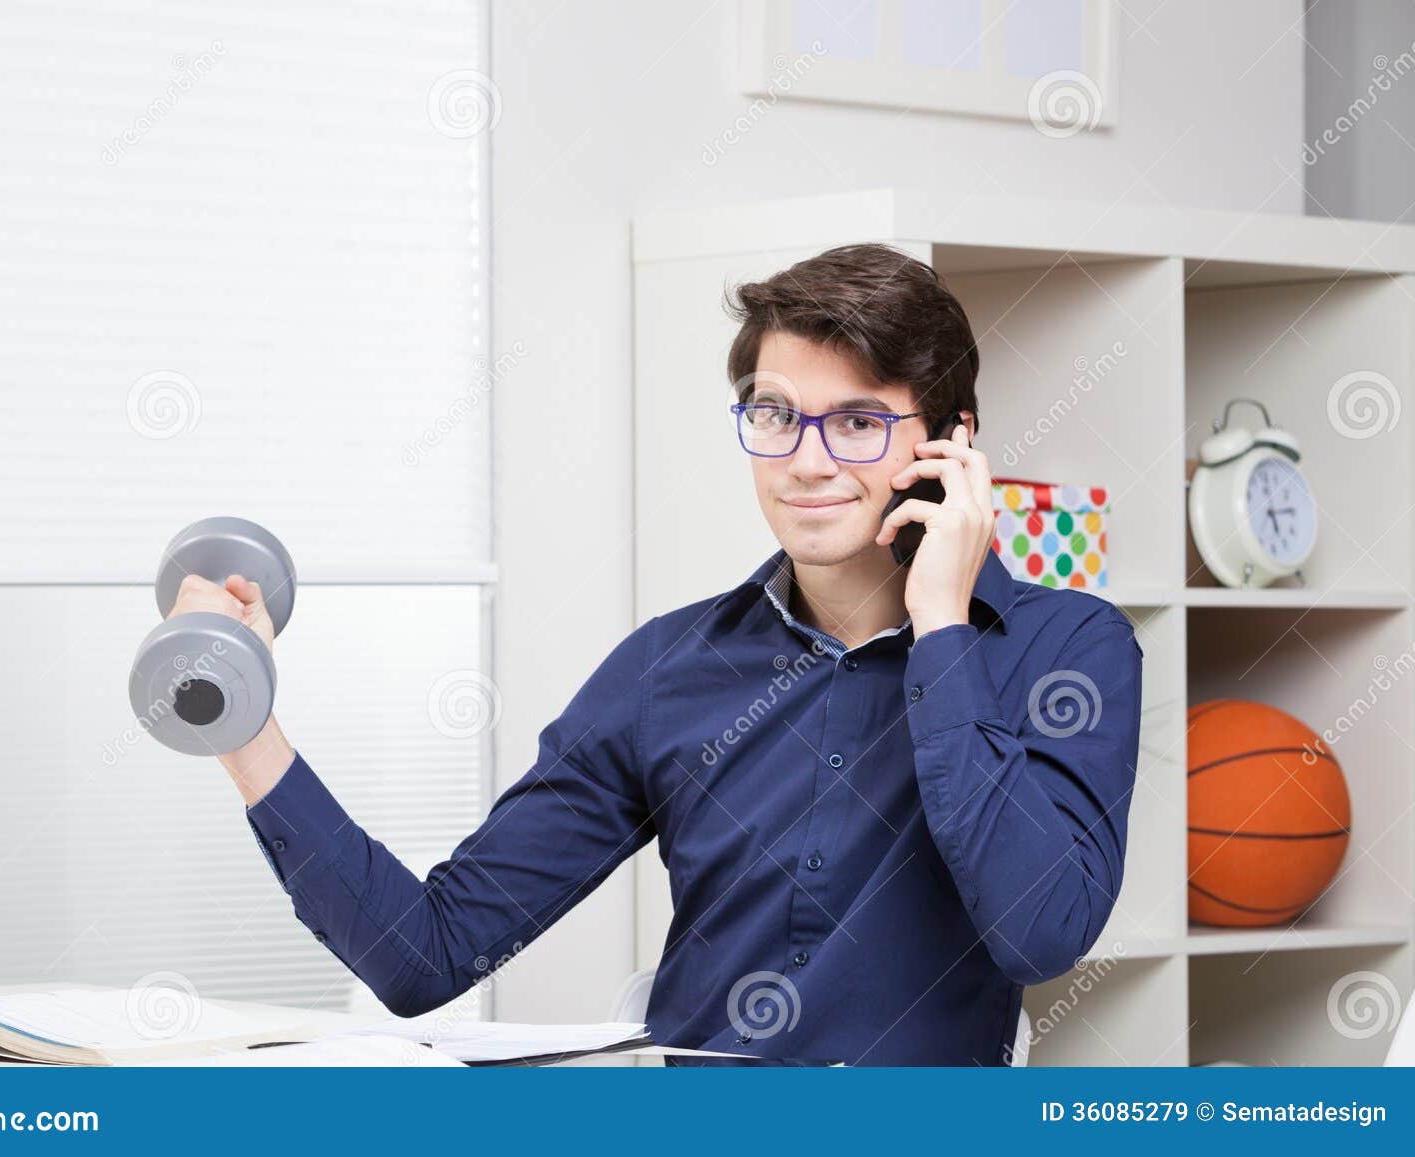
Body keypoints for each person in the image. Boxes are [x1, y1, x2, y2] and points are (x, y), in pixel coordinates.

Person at [171, 243, 1144, 1066]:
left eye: (857, 422)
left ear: (950, 444)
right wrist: (240, 719)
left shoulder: (1066, 647)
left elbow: (1040, 928)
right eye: (773, 413)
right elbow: (424, 954)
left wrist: (940, 624)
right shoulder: (666, 669)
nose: (806, 460)